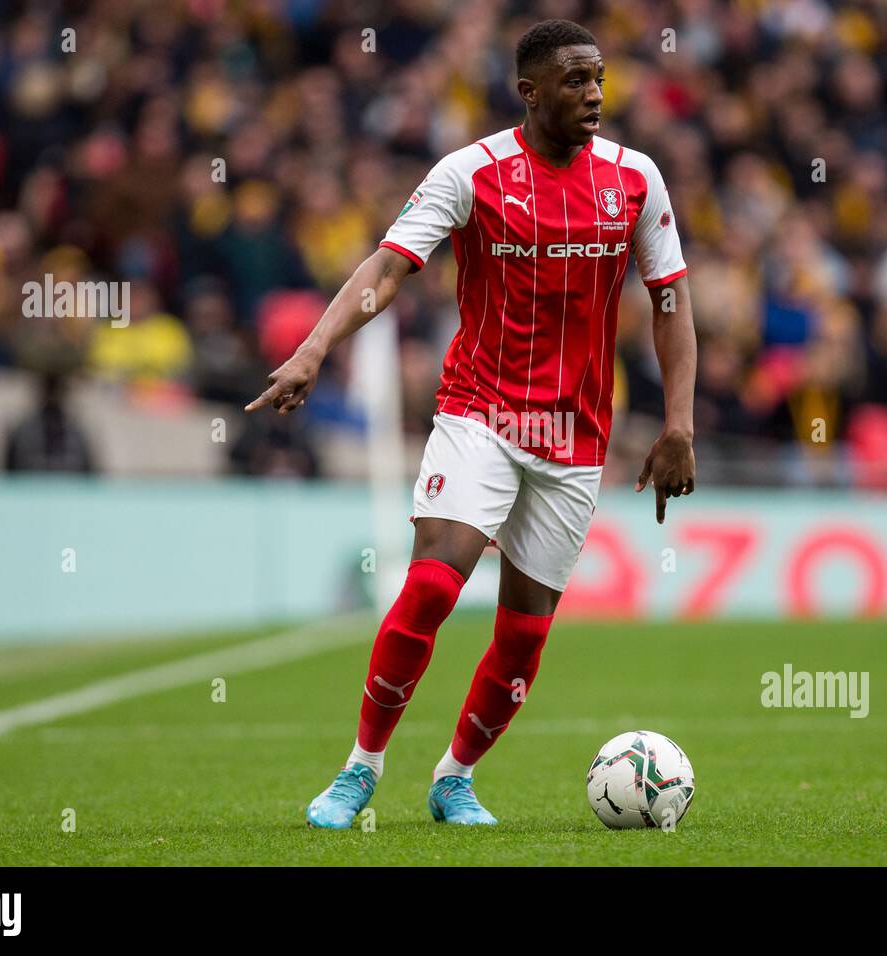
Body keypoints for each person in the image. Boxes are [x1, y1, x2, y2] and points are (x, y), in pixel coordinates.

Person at [246, 19, 696, 827]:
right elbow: (387, 266)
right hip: (479, 414)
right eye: (573, 80)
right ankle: (360, 770)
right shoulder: (472, 173)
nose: (594, 92)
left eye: (598, 77)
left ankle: (454, 778)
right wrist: (315, 348)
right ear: (529, 91)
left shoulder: (636, 180)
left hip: (576, 440)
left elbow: (671, 301)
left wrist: (679, 424)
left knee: (523, 637)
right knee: (429, 587)